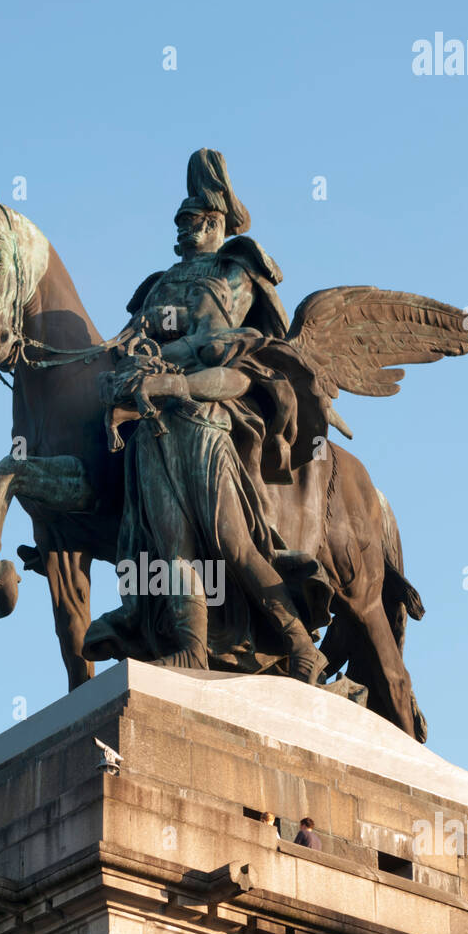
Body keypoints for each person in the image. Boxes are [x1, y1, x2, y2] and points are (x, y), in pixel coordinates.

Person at [82, 149, 332, 681]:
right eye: (177, 221)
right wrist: (124, 370)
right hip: (152, 425)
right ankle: (192, 649)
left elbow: (215, 342)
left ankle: (299, 643)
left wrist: (162, 363)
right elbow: (128, 341)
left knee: (231, 542)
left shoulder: (234, 270)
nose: (180, 230)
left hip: (204, 420)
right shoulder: (154, 285)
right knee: (170, 546)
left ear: (216, 221)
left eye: (190, 220)